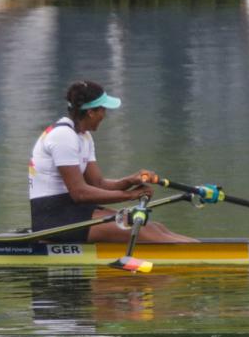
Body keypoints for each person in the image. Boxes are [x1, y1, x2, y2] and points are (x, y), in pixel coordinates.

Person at [28, 81, 198, 244]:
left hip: (73, 210)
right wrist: (130, 195)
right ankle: (204, 261)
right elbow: (80, 193)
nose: (105, 115)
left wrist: (130, 181)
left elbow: (98, 183)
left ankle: (208, 253)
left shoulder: (83, 136)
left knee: (156, 228)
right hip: (54, 219)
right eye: (103, 109)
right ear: (91, 112)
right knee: (143, 230)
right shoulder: (63, 136)